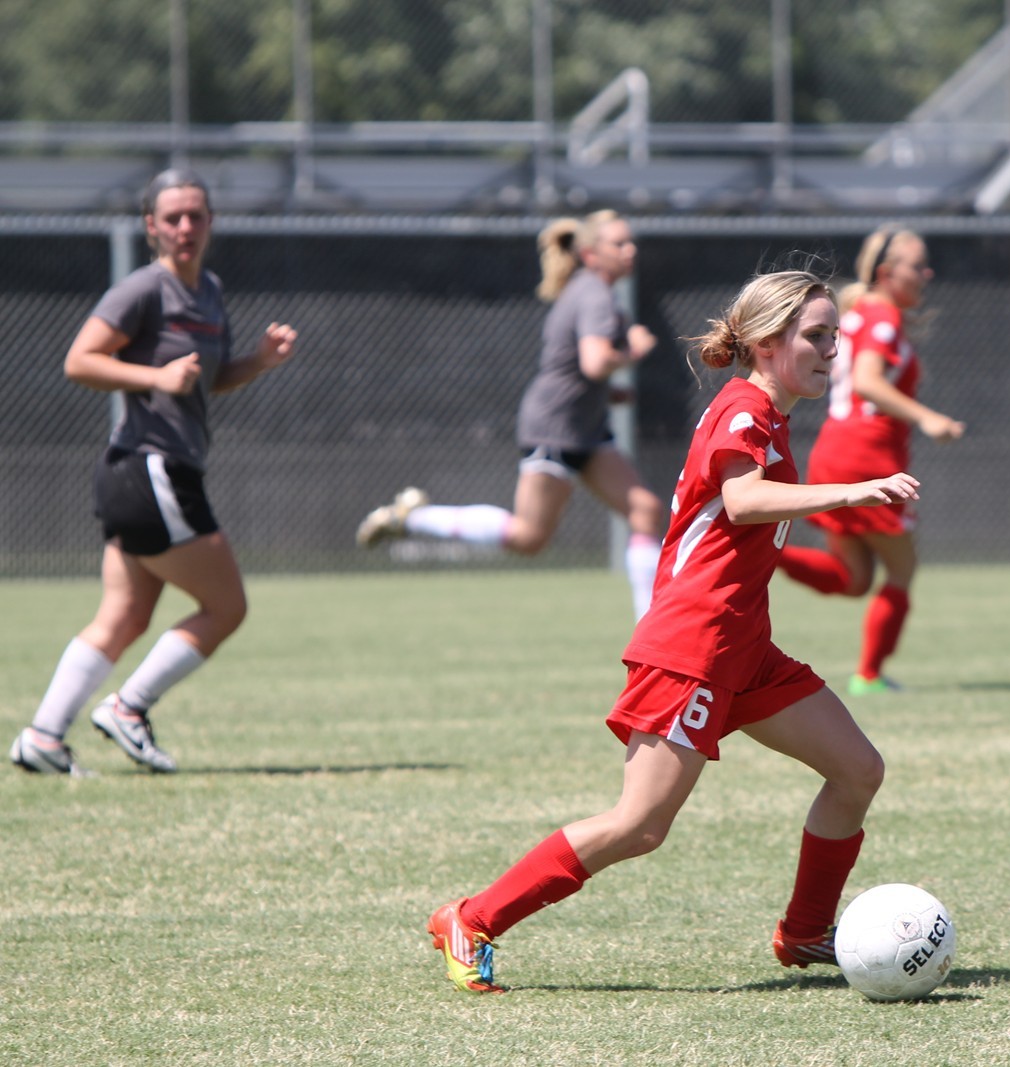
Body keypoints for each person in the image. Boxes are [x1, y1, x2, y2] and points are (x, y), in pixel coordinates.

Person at [426, 268, 920, 993]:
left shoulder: (770, 414)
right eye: (816, 336)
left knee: (857, 770)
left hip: (743, 646)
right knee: (640, 824)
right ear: (764, 340)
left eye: (833, 336)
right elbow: (744, 499)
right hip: (694, 645)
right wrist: (851, 490)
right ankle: (471, 916)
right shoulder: (744, 411)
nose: (830, 350)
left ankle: (806, 930)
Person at [8, 168, 299, 777]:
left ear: (211, 223)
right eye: (173, 218)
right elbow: (80, 361)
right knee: (227, 607)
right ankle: (129, 707)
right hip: (150, 469)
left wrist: (258, 363)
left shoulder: (209, 291)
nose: (186, 227)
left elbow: (207, 381)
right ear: (152, 228)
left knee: (125, 617)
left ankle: (42, 737)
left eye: (196, 215)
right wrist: (155, 378)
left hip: (145, 475)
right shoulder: (144, 290)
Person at [356, 210, 665, 620]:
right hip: (556, 430)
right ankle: (413, 518)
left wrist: (613, 389)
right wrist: (634, 353)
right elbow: (594, 362)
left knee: (645, 509)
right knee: (527, 537)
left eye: (632, 243)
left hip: (586, 431)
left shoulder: (592, 291)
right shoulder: (594, 294)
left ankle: (652, 629)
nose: (631, 251)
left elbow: (580, 369)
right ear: (591, 254)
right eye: (619, 244)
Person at [776, 226, 964, 695]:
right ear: (887, 272)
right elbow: (866, 381)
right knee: (901, 570)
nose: (927, 273)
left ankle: (770, 553)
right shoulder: (882, 317)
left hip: (835, 450)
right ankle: (869, 675)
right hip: (867, 456)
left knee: (855, 579)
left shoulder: (860, 314)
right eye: (917, 266)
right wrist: (929, 419)